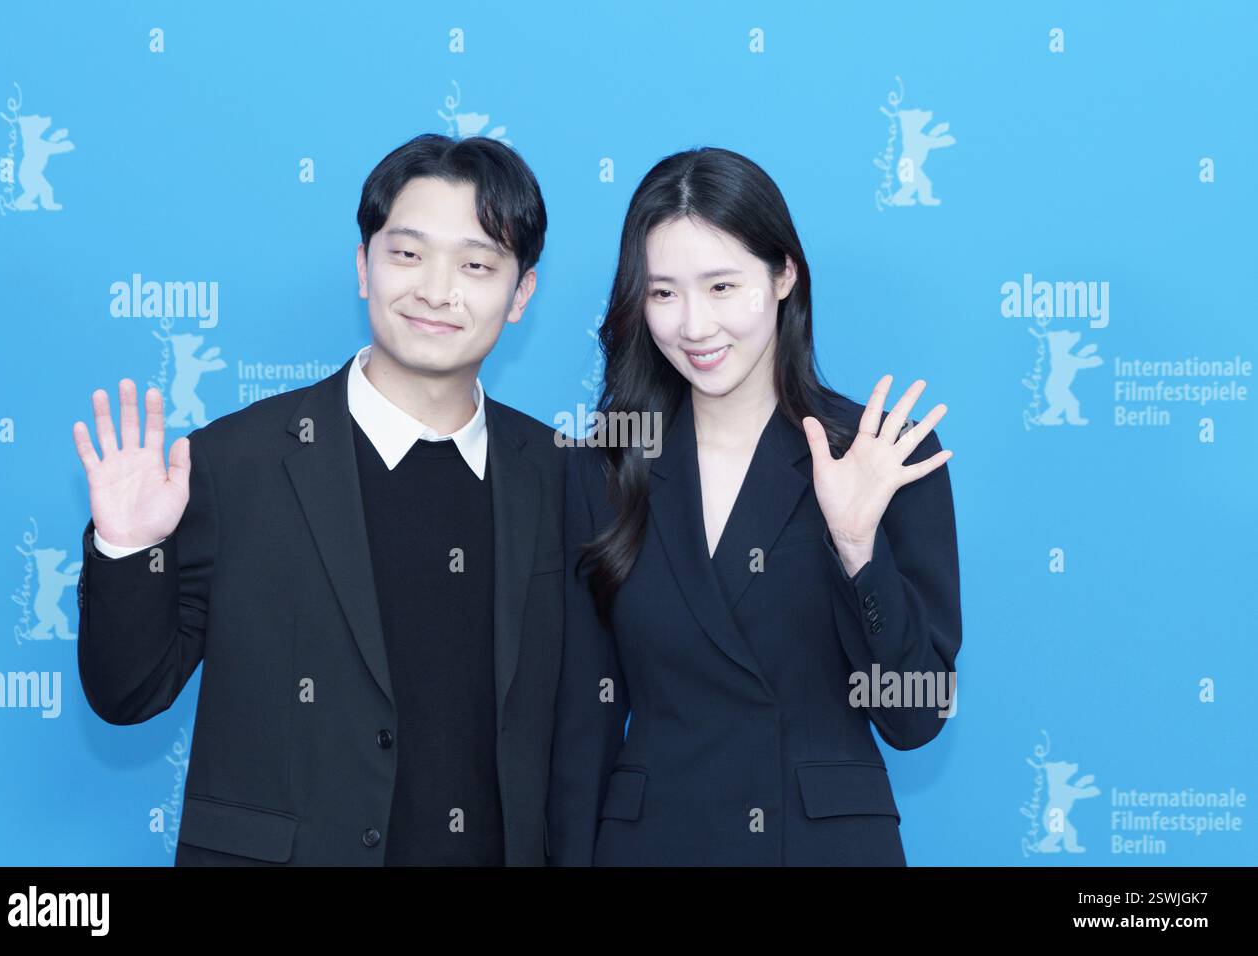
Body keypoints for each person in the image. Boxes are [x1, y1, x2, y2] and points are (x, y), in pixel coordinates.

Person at [72, 134, 565, 866]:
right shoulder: (231, 464)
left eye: (476, 264)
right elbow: (126, 695)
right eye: (406, 254)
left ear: (520, 293)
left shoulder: (560, 475)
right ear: (362, 266)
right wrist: (128, 549)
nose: (436, 290)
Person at [547, 147, 962, 866]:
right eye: (663, 292)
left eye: (721, 286)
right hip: (655, 847)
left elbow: (915, 717)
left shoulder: (882, 452)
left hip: (821, 847)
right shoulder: (604, 465)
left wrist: (859, 549)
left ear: (783, 277)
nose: (694, 326)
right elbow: (585, 721)